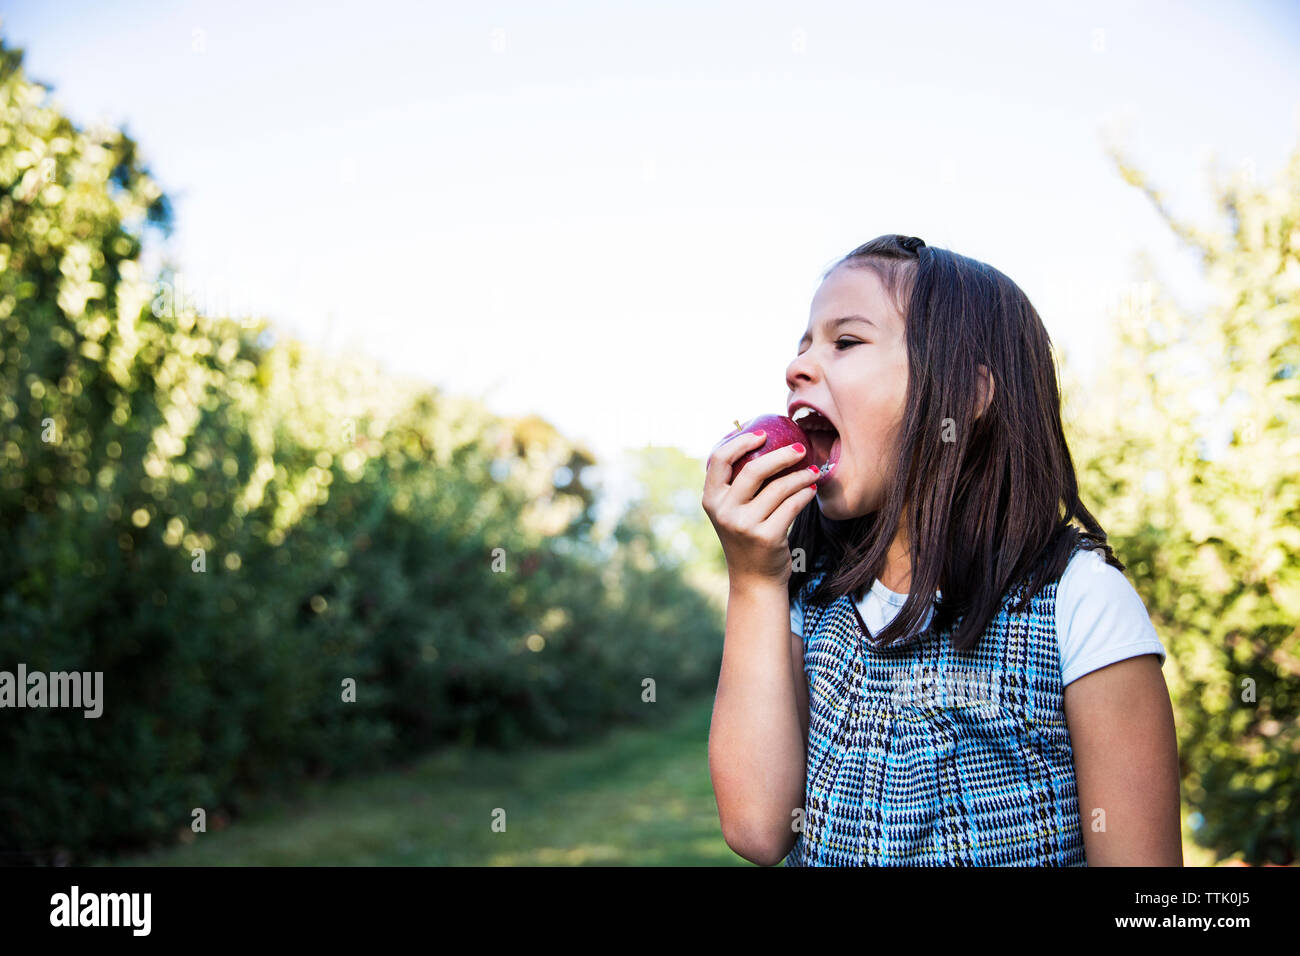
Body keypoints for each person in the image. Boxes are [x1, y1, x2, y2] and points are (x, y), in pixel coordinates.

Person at [702, 234, 1181, 866]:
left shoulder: (1079, 601)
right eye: (804, 345)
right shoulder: (809, 595)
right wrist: (754, 579)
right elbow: (759, 829)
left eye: (846, 342)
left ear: (967, 396)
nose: (799, 367)